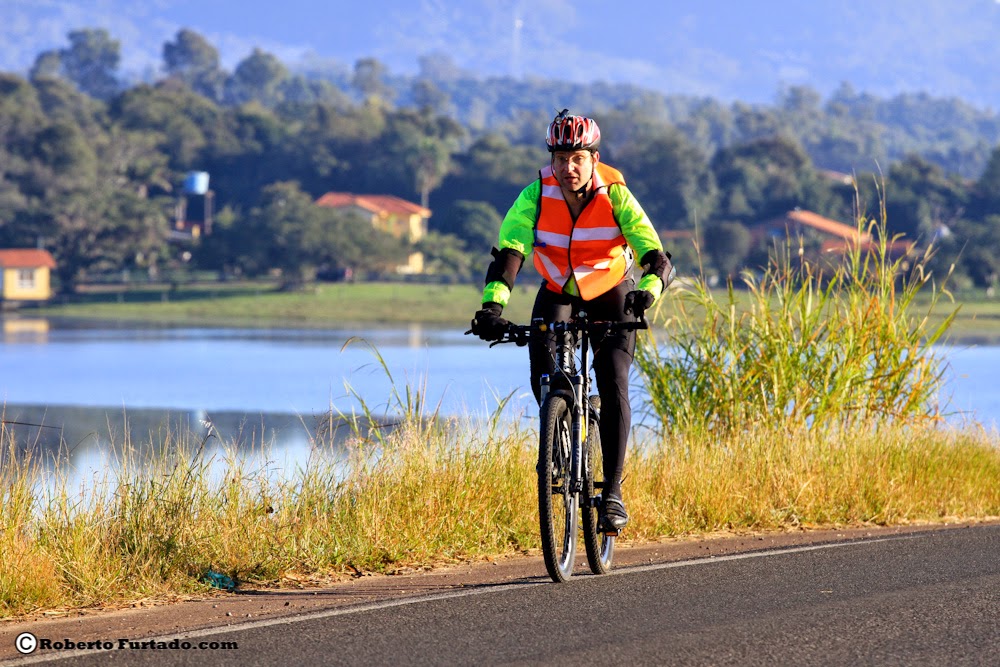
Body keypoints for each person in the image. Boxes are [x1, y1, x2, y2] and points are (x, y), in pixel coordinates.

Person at [470, 109, 673, 532]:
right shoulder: (535, 195)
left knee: (612, 379)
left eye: (578, 158)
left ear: (594, 158)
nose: (568, 168)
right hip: (558, 288)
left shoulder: (615, 195)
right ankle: (559, 439)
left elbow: (655, 255)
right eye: (560, 159)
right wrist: (492, 308)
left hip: (611, 289)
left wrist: (647, 292)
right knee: (544, 372)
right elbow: (509, 253)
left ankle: (612, 493)